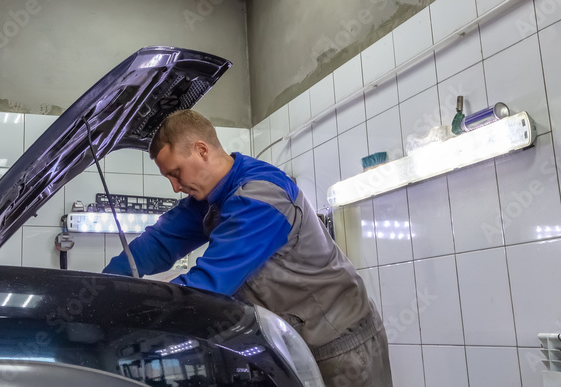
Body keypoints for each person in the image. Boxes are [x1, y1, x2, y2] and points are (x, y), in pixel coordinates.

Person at [103, 109, 392, 386]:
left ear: (202, 150)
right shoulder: (210, 197)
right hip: (294, 340)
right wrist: (103, 288)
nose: (175, 187)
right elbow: (158, 242)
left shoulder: (261, 197)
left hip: (340, 340)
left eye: (176, 173)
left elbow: (208, 285)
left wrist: (136, 312)